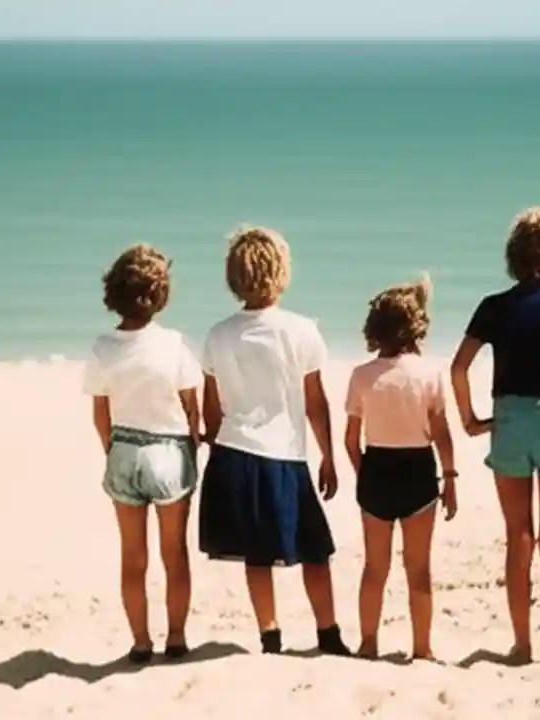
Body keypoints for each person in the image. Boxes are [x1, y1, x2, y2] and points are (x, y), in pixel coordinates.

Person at [450, 206, 540, 664]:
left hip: (509, 424)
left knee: (518, 538)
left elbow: (459, 367)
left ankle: (521, 644)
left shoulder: (494, 307)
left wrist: (471, 420)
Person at [198, 225, 352, 656]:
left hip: (233, 452)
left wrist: (212, 443)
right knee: (316, 550)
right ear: (282, 271)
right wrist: (328, 456)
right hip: (283, 454)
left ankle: (270, 636)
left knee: (257, 554)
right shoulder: (301, 330)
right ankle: (329, 633)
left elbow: (213, 408)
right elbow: (315, 403)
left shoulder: (218, 333)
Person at [83, 244, 201, 664]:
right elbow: (191, 403)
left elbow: (101, 410)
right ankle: (176, 637)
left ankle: (139, 642)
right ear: (159, 296)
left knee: (132, 557)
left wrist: (111, 450)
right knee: (175, 554)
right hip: (168, 447)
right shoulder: (173, 344)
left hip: (124, 449)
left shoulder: (103, 347)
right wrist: (194, 442)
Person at [344, 277, 457, 662]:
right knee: (418, 568)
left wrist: (365, 474)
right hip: (418, 470)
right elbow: (441, 432)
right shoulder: (430, 373)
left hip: (377, 466)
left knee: (375, 567)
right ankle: (422, 649)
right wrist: (451, 477)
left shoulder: (362, 375)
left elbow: (350, 439)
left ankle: (368, 643)